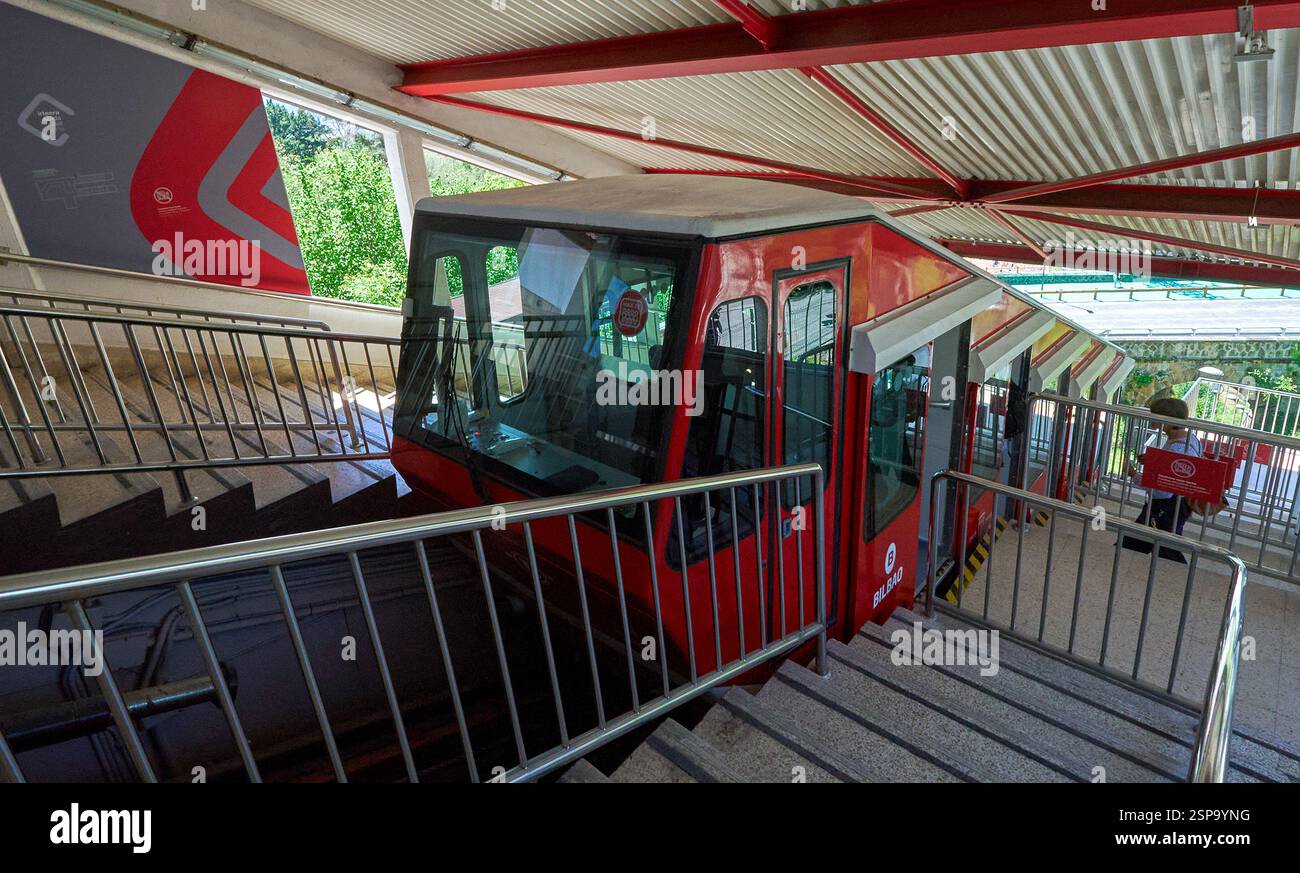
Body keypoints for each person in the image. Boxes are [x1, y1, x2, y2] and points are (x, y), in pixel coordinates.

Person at [1121, 397, 1202, 562]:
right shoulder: (1190, 440)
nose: (1152, 419)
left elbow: (1162, 490)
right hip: (1177, 506)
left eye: (1156, 416)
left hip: (1165, 508)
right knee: (1156, 543)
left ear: (1167, 420)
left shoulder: (1177, 448)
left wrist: (1134, 474)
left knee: (1163, 548)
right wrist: (1152, 461)